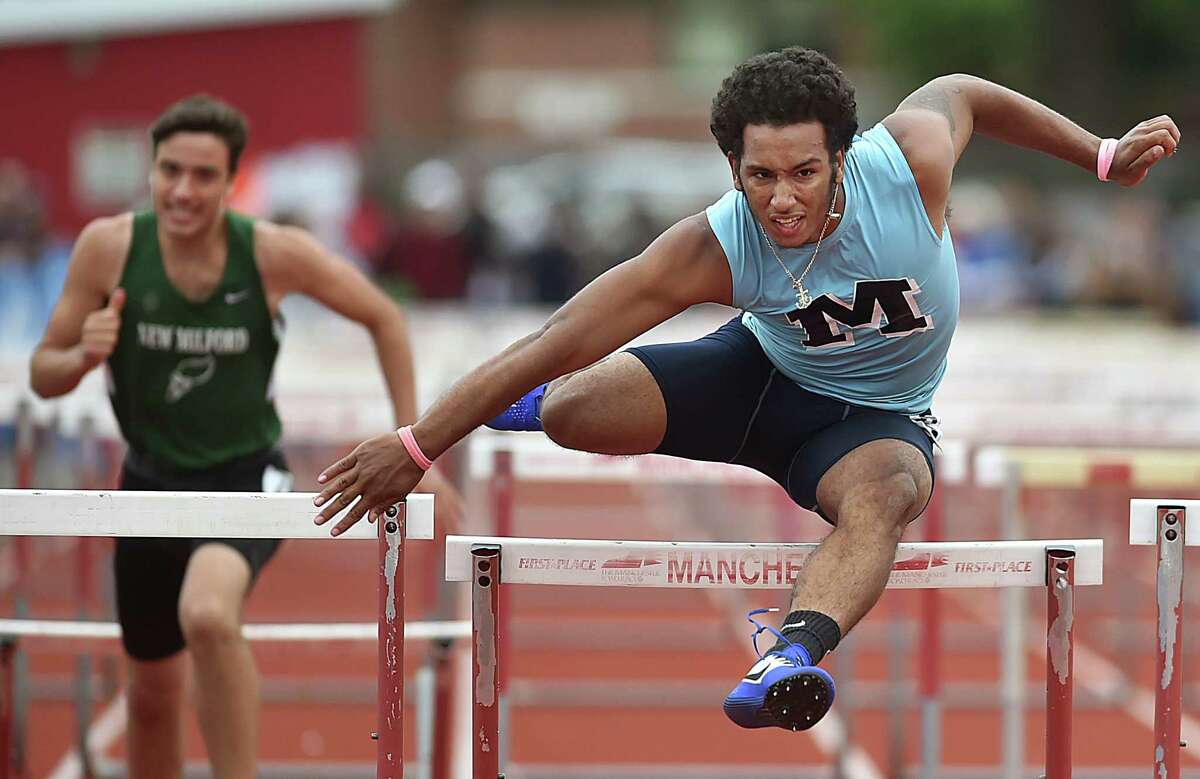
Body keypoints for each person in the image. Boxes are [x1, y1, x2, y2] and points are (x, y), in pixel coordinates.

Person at [313, 48, 1180, 732]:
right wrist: (421, 443)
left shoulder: (909, 163)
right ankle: (534, 404)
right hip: (759, 380)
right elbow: (556, 333)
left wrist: (1102, 155)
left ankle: (791, 656)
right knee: (571, 402)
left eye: (804, 171)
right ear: (732, 165)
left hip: (872, 421)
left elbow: (969, 93)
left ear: (842, 154)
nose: (783, 201)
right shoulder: (714, 247)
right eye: (759, 176)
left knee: (887, 494)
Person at [30, 95, 463, 777]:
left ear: (231, 182)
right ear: (151, 172)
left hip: (244, 476)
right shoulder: (108, 248)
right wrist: (82, 354)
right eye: (169, 170)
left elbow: (384, 315)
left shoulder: (268, 253)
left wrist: (414, 443)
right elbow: (43, 373)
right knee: (149, 693)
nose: (182, 190)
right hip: (147, 482)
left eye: (203, 175)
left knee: (206, 613)